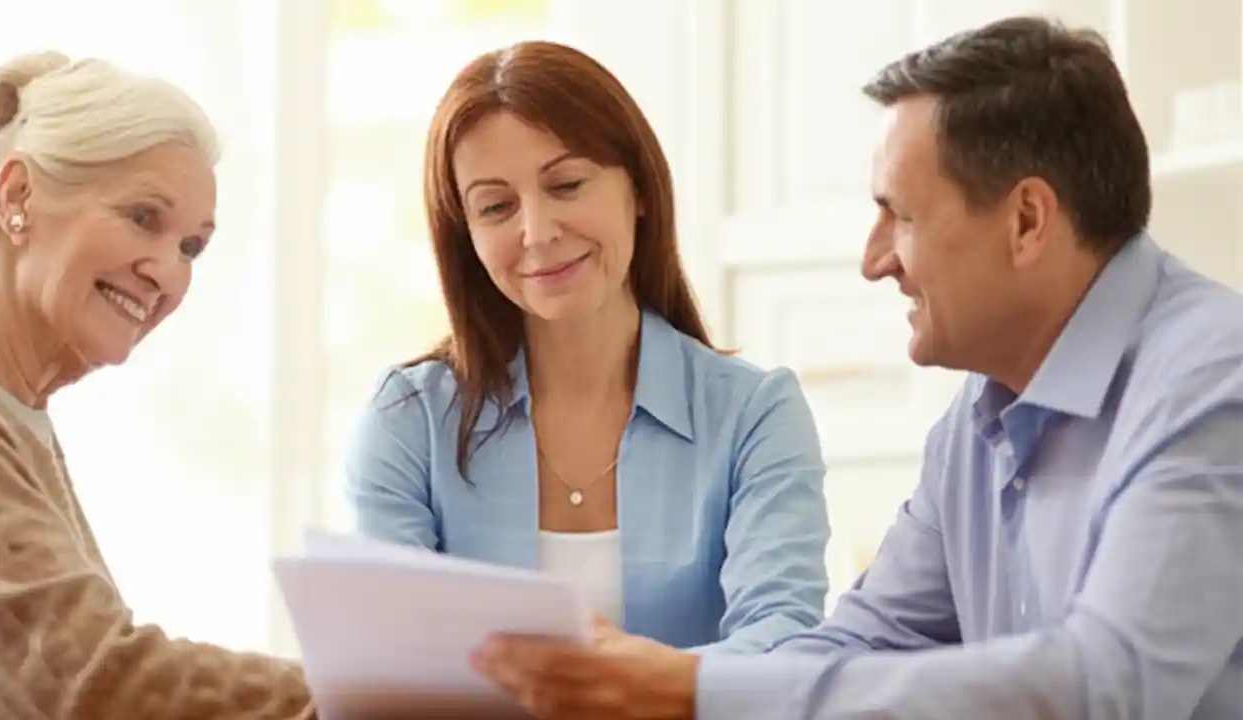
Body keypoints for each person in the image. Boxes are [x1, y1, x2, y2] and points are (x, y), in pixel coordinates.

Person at [468, 15, 1243, 719]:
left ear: (1027, 220)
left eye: (899, 216)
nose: (874, 261)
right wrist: (645, 681)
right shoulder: (979, 419)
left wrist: (687, 688)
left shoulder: (1213, 381)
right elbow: (862, 643)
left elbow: (1108, 684)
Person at [344, 40, 831, 653]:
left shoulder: (755, 413)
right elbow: (389, 656)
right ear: (465, 234)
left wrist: (621, 686)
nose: (537, 232)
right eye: (496, 206)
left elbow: (784, 637)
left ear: (640, 189)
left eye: (568, 184)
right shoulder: (409, 421)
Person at [0, 52, 317, 718]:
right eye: (143, 218)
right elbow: (97, 685)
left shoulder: (14, 419)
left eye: (191, 248)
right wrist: (370, 694)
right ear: (18, 197)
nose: (168, 274)